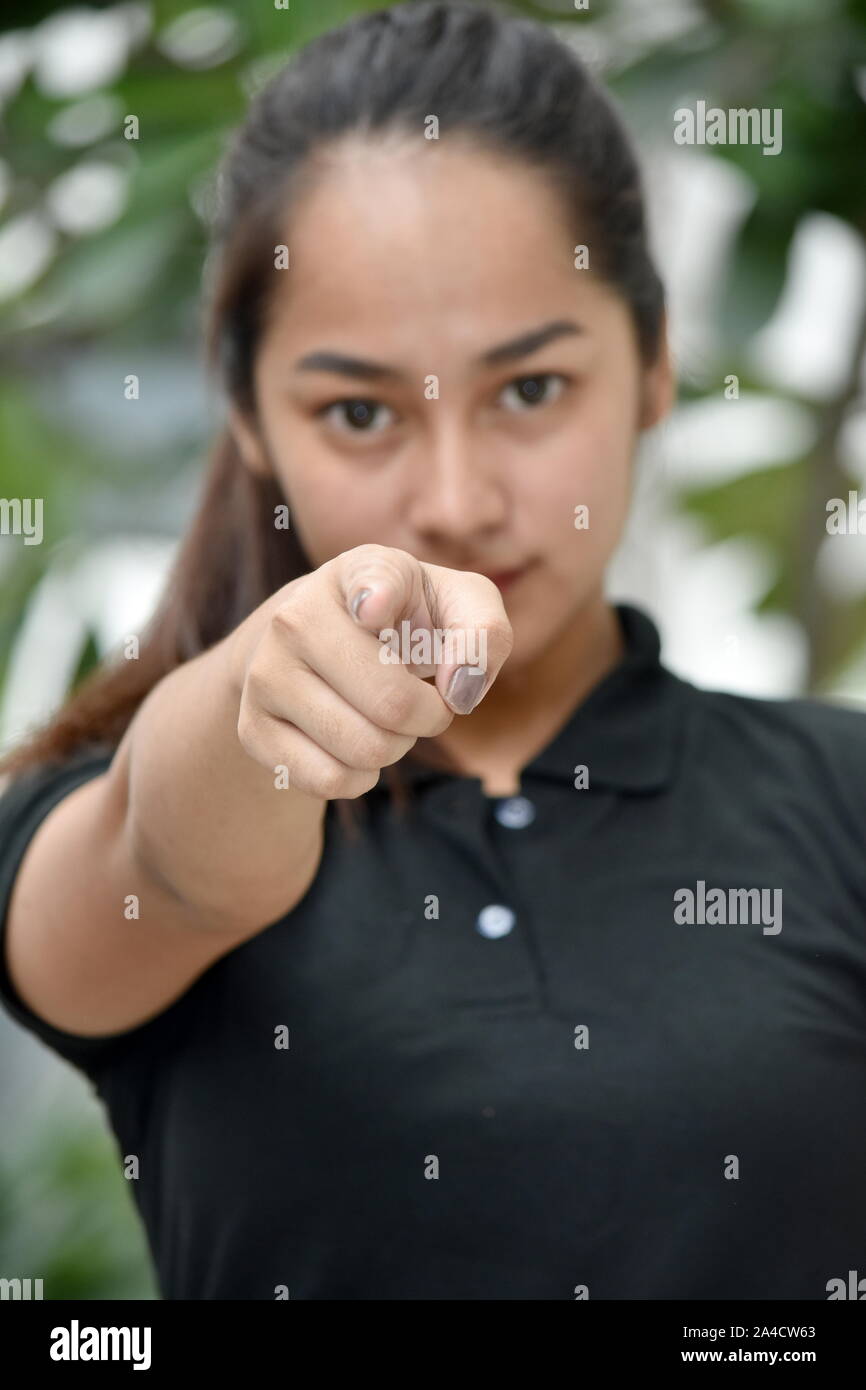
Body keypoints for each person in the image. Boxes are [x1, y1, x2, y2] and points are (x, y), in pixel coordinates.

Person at [1, 0, 865, 1302]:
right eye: (357, 411)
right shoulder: (118, 817)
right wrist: (259, 696)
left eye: (528, 389)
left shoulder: (837, 794)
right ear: (247, 419)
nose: (455, 499)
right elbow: (161, 855)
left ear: (650, 368)